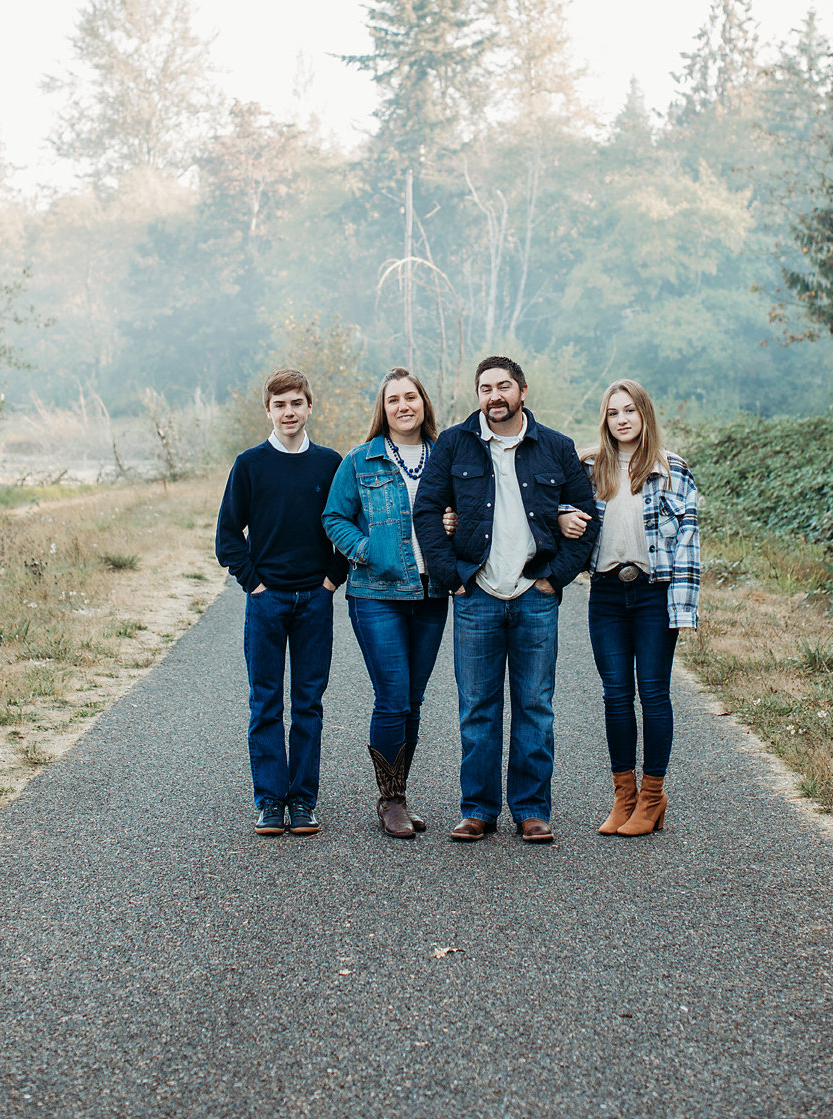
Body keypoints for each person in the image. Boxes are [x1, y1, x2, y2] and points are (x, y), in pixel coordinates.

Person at [413, 355, 596, 844]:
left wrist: (556, 577)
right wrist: (453, 578)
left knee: (535, 706)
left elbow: (586, 519)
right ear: (478, 395)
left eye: (503, 386)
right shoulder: (454, 444)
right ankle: (477, 809)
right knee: (477, 707)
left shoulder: (556, 447)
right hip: (477, 593)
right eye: (485, 388)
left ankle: (532, 810)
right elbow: (427, 511)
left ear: (522, 391)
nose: (494, 396)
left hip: (534, 593)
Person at [558, 378, 699, 837]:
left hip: (654, 593)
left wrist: (682, 608)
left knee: (653, 693)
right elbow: (556, 509)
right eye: (613, 412)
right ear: (605, 420)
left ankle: (653, 797)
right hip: (606, 594)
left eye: (630, 411)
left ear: (644, 414)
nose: (622, 419)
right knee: (615, 694)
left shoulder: (672, 470)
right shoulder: (588, 468)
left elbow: (688, 544)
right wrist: (561, 516)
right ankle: (624, 796)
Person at [215, 367, 347, 837]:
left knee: (308, 703)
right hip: (266, 601)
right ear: (268, 410)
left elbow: (349, 525)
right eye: (279, 405)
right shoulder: (250, 465)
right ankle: (271, 800)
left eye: (296, 403)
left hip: (315, 600)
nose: (288, 412)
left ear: (309, 406)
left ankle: (303, 800)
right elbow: (228, 536)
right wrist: (253, 584)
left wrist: (332, 580)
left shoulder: (330, 464)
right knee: (266, 702)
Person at [322, 368, 453, 839]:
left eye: (410, 397)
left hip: (431, 593)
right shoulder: (360, 460)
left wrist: (455, 524)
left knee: (413, 700)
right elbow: (334, 517)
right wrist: (367, 550)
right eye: (393, 399)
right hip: (377, 594)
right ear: (383, 408)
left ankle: (401, 792)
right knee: (393, 696)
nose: (403, 406)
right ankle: (390, 800)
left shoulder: (445, 456)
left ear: (423, 403)